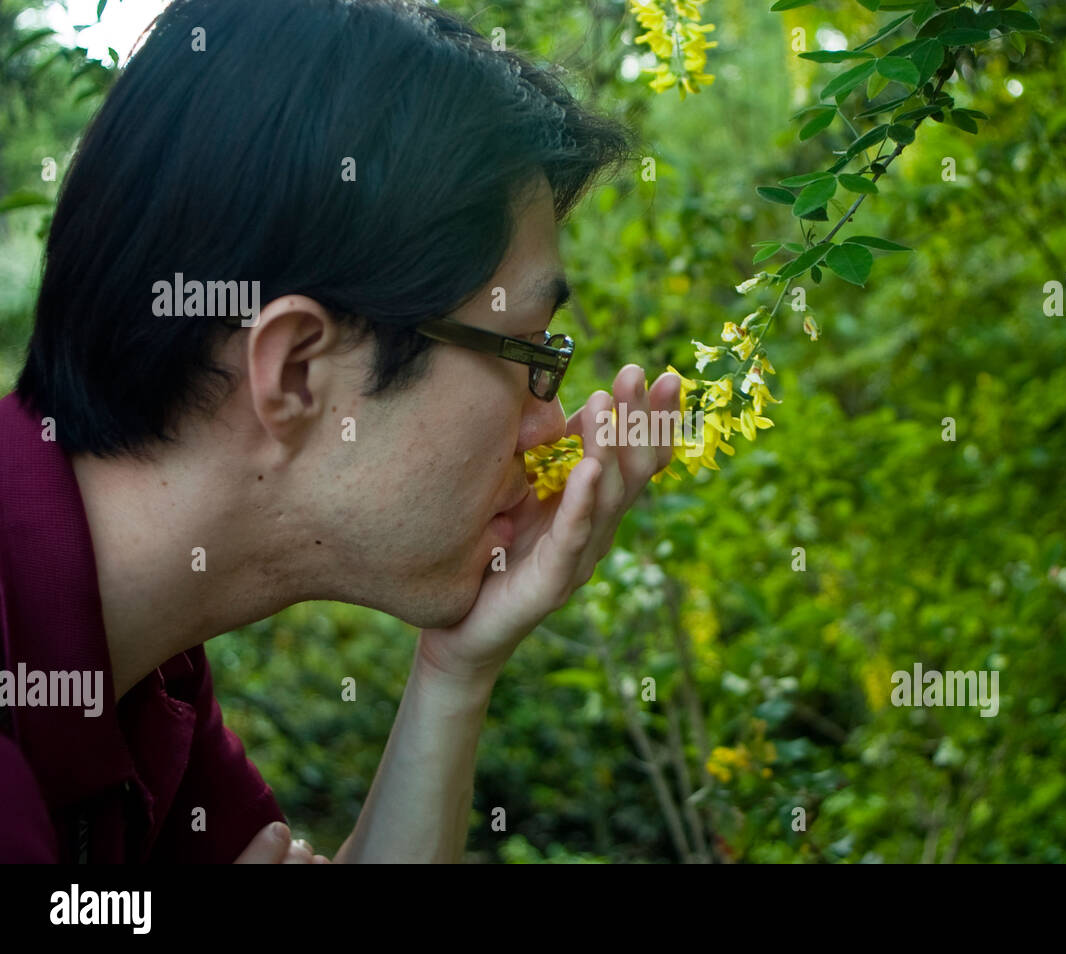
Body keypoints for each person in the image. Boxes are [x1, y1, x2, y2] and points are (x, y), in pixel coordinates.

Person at [0, 0, 679, 862]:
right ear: (293, 374)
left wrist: (456, 671)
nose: (550, 428)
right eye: (528, 352)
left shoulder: (139, 669)